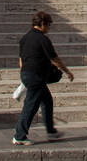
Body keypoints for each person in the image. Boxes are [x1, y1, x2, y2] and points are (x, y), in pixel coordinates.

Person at [13, 10, 73, 145]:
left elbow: (21, 59)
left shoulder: (25, 38)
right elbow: (54, 59)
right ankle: (19, 135)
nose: (49, 28)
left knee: (47, 101)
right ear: (43, 24)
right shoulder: (42, 39)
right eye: (49, 25)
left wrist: (24, 75)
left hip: (27, 73)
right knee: (31, 105)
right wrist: (67, 71)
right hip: (36, 76)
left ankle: (51, 132)